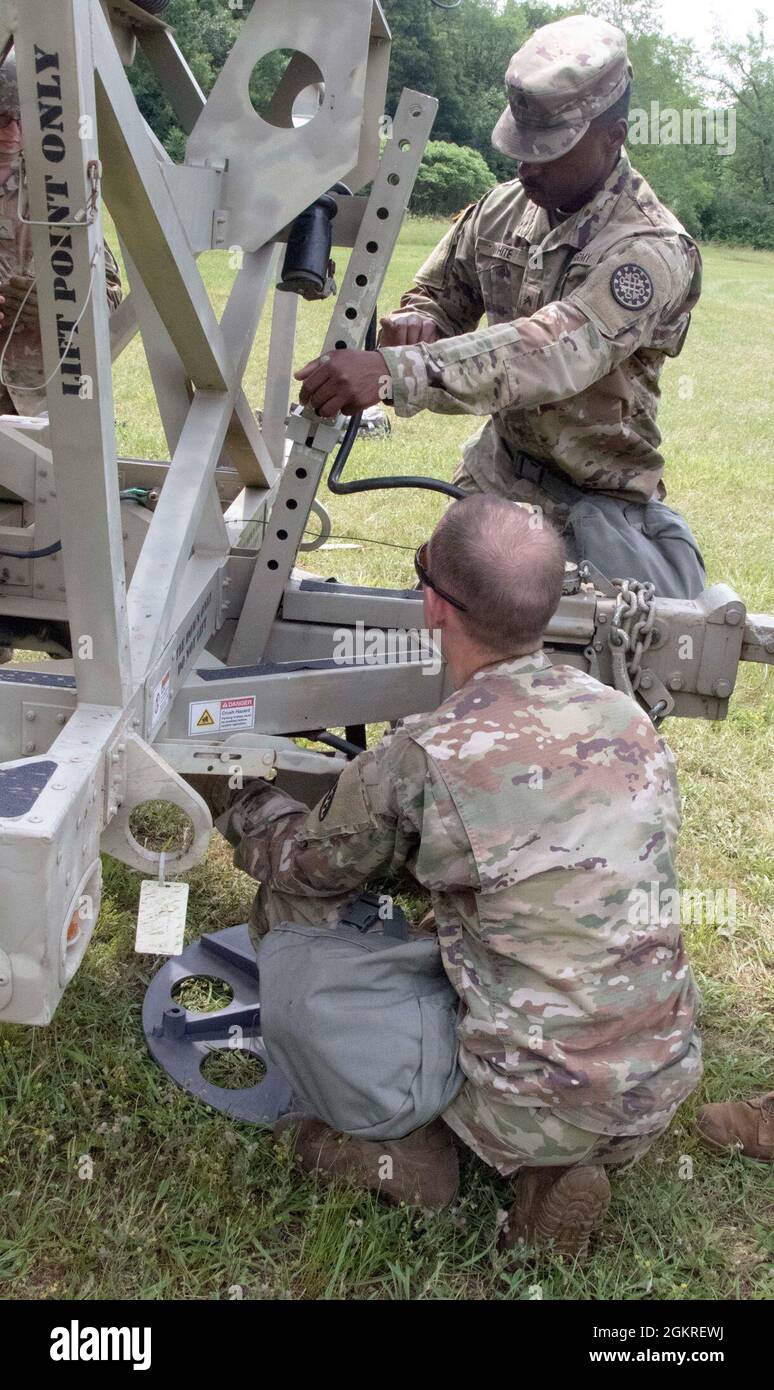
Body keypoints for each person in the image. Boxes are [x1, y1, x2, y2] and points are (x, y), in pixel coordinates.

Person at [212, 496, 702, 1258]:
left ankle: (416, 1151)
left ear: (434, 605)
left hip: (525, 1100)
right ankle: (552, 1172)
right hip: (659, 1081)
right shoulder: (625, 717)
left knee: (292, 914)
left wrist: (238, 797)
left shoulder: (427, 756)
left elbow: (303, 866)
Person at [294, 15, 705, 599]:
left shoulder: (648, 250)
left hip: (593, 502)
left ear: (613, 137)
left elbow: (555, 351)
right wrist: (421, 322)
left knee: (574, 673)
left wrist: (395, 371)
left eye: (550, 151)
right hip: (497, 471)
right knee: (449, 629)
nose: (526, 167)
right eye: (522, 145)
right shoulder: (505, 208)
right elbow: (441, 291)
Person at [0, 55, 122, 417]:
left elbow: (110, 292)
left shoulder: (56, 191)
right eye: (2, 119)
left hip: (43, 394)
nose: (14, 134)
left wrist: (60, 303)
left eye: (23, 121)